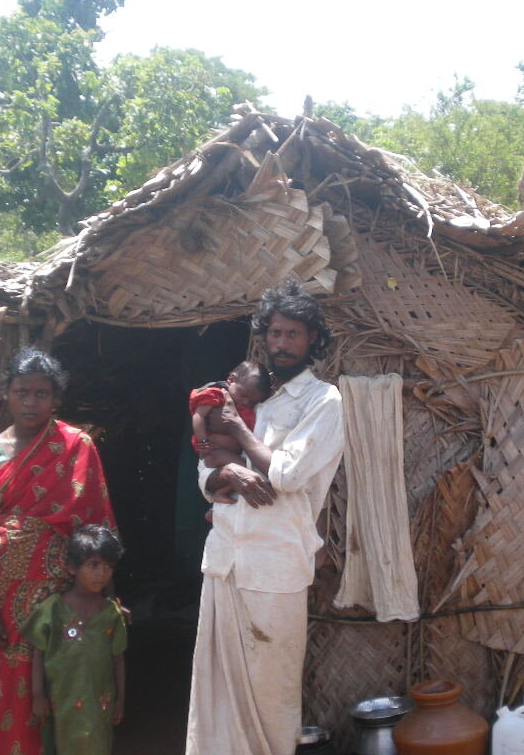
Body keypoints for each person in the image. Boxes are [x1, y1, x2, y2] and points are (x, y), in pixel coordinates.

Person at [185, 279, 345, 755]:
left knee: (271, 693)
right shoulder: (249, 396)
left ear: (312, 338)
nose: (282, 343)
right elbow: (205, 467)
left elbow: (288, 475)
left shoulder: (323, 401)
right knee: (216, 689)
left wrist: (238, 431)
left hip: (275, 565)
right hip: (224, 559)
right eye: (275, 333)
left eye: (293, 333)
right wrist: (228, 471)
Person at [0, 347, 117, 755]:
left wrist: (108, 596)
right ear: (6, 394)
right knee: (13, 676)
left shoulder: (76, 446)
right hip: (7, 593)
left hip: (68, 588)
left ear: (56, 399)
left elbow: (97, 527)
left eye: (41, 393)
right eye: (22, 392)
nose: (31, 402)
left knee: (69, 675)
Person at [24, 525, 127, 755]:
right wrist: (38, 695)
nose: (101, 574)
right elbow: (38, 652)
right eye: (93, 565)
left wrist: (120, 700)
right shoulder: (53, 609)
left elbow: (118, 659)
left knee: (98, 744)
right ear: (72, 567)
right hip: (61, 699)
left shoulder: (111, 613)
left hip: (99, 702)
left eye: (108, 567)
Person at [189, 360, 272, 505]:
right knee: (246, 469)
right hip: (215, 453)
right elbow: (198, 417)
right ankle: (218, 494)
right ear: (231, 380)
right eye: (243, 395)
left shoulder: (245, 407)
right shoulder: (216, 395)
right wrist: (203, 443)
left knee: (244, 469)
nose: (246, 402)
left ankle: (220, 495)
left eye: (251, 402)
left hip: (230, 454)